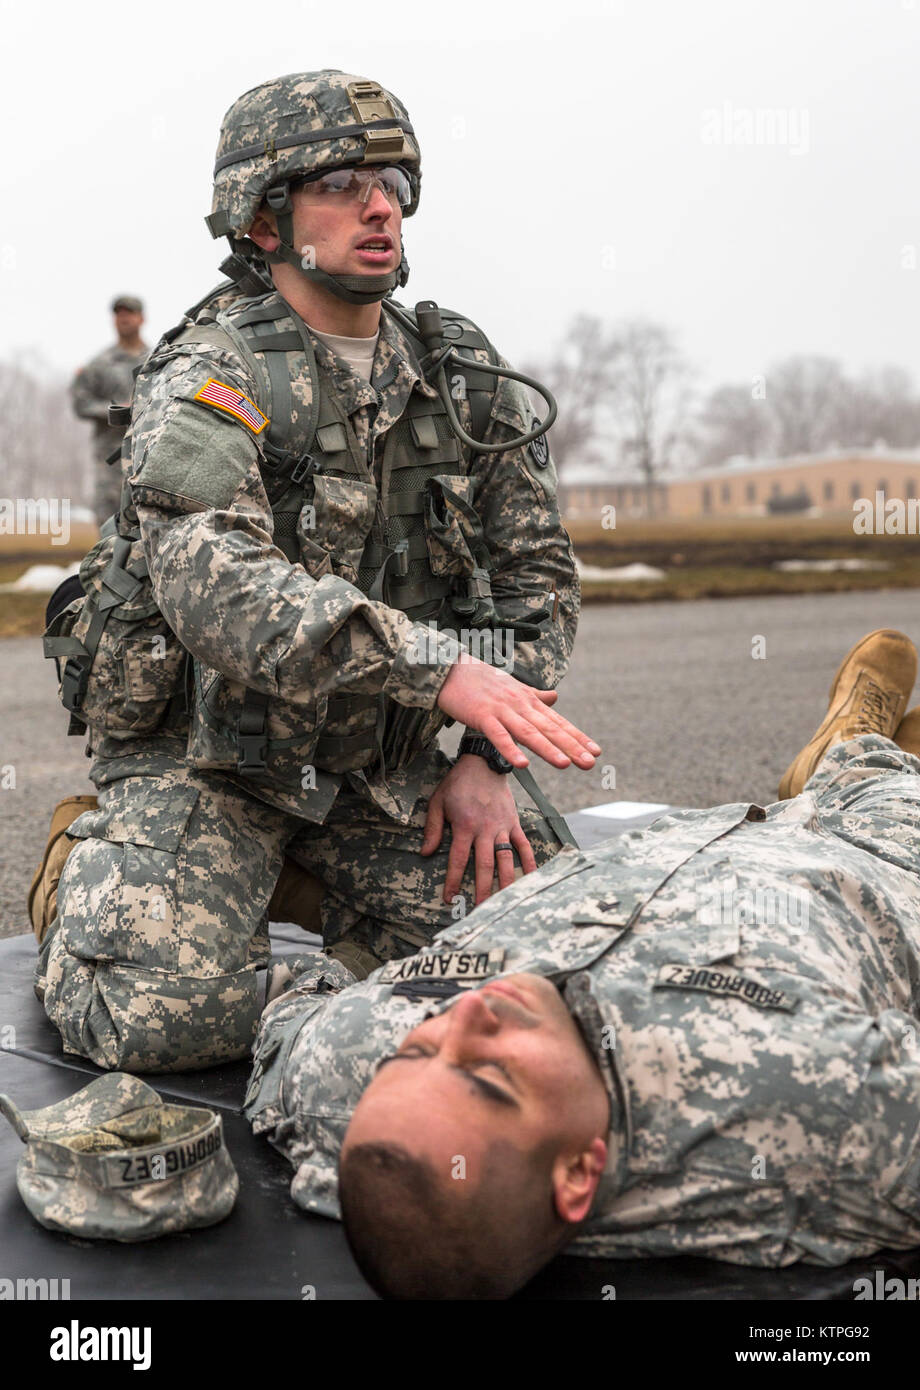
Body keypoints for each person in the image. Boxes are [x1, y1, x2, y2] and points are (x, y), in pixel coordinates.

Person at [33, 70, 596, 1073]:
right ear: (261, 221)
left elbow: (535, 575)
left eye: (391, 181)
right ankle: (95, 862)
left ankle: (321, 901)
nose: (379, 205)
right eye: (339, 182)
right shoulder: (210, 373)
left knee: (559, 963)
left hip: (379, 767)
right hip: (215, 759)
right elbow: (214, 581)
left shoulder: (456, 372)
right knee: (163, 1022)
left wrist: (483, 760)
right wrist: (436, 668)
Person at [243, 628, 920, 1298]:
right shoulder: (821, 1114)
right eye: (492, 1071)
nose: (469, 1013)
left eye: (420, 1049)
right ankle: (856, 752)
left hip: (671, 845)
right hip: (863, 856)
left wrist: (350, 958)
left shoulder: (350, 1081)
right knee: (884, 783)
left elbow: (292, 1032)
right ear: (577, 1175)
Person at [70, 296, 148, 526]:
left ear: (141, 318)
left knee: (147, 515)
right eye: (119, 314)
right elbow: (81, 403)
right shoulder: (99, 364)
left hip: (146, 453)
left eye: (129, 313)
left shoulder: (157, 359)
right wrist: (114, 411)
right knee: (108, 520)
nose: (124, 318)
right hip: (110, 458)